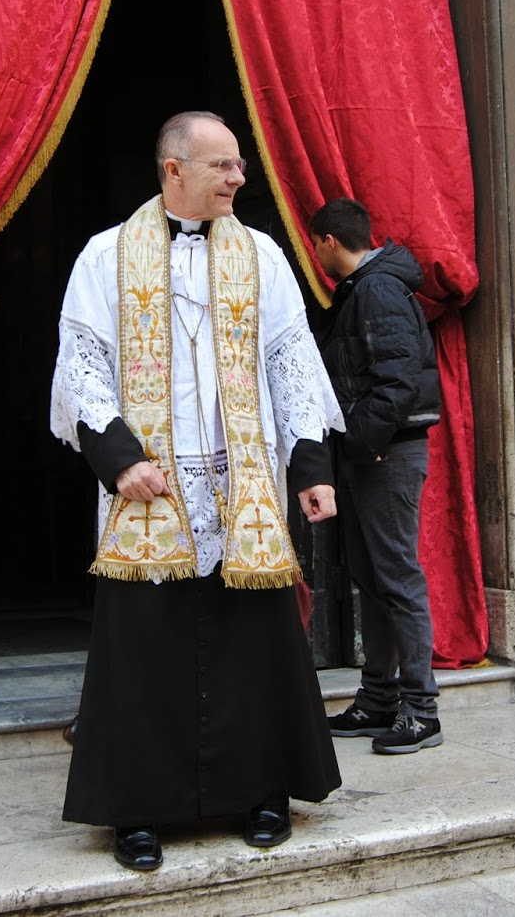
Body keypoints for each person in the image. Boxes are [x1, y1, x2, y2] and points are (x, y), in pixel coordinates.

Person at [50, 111, 345, 871]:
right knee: (144, 651)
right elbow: (80, 366)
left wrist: (308, 469)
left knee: (255, 645)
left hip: (240, 483)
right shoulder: (106, 256)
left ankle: (264, 791)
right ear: (172, 170)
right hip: (148, 487)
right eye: (223, 166)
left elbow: (291, 361)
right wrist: (119, 459)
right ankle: (139, 810)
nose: (238, 178)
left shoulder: (264, 256)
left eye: (240, 164)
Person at [308, 197, 444, 755]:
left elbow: (399, 381)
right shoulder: (367, 288)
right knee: (374, 580)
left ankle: (421, 711)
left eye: (316, 245)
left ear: (328, 242)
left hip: (387, 454)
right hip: (372, 454)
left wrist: (365, 441)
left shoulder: (378, 290)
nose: (317, 254)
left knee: (397, 579)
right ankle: (379, 698)